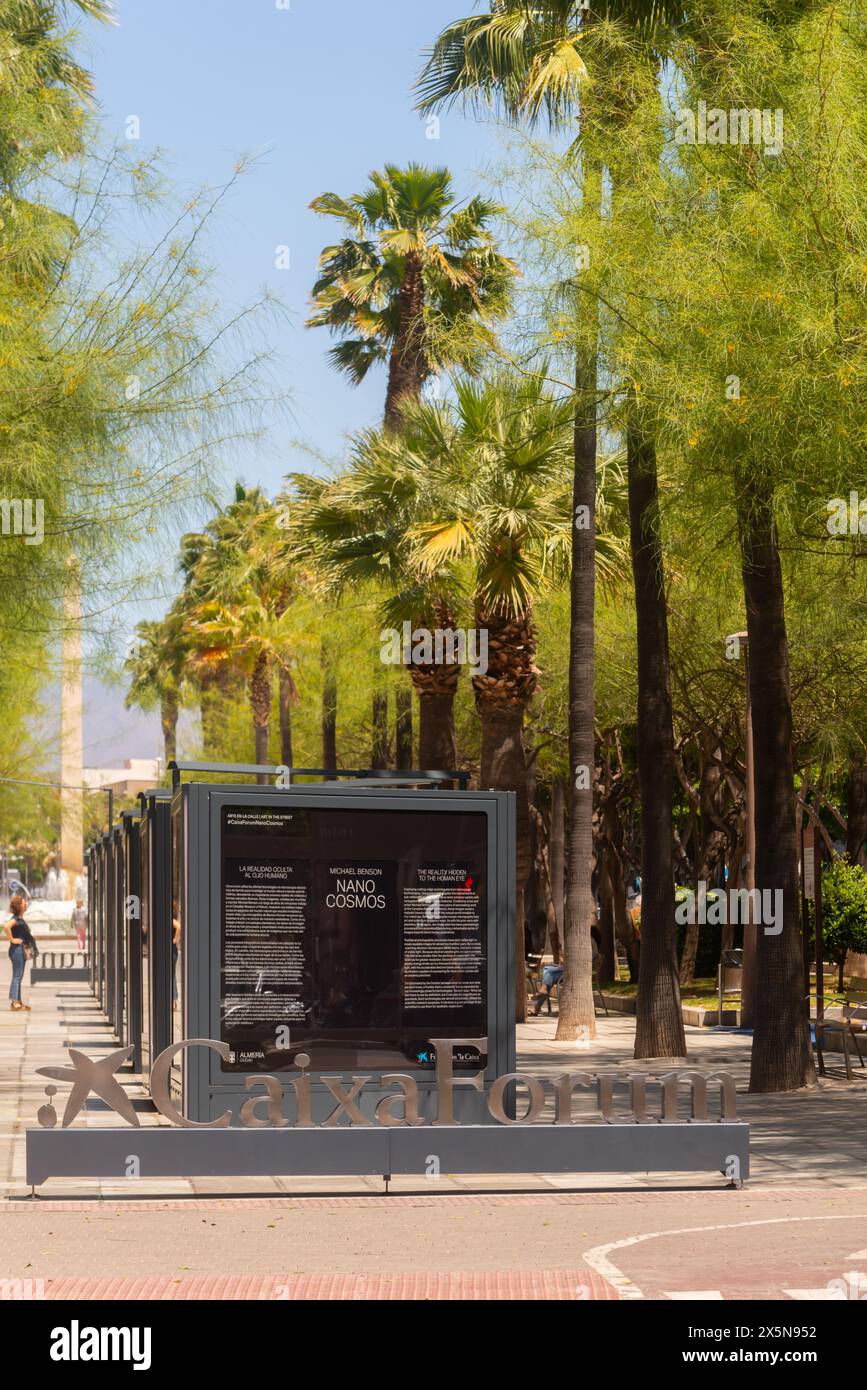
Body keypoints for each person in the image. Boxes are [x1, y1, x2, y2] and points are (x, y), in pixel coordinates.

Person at [530, 927, 601, 1016]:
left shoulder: (587, 941)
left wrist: (567, 963)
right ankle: (542, 993)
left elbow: (584, 959)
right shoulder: (592, 942)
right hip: (573, 970)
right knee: (548, 974)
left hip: (576, 972)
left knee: (547, 971)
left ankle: (538, 1003)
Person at [4, 894, 36, 1012]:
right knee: (17, 976)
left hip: (20, 950)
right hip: (17, 950)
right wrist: (12, 939)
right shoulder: (16, 919)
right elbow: (6, 927)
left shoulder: (20, 919)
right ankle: (14, 1002)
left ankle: (18, 1002)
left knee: (19, 976)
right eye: (24, 903)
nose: (26, 904)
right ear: (19, 906)